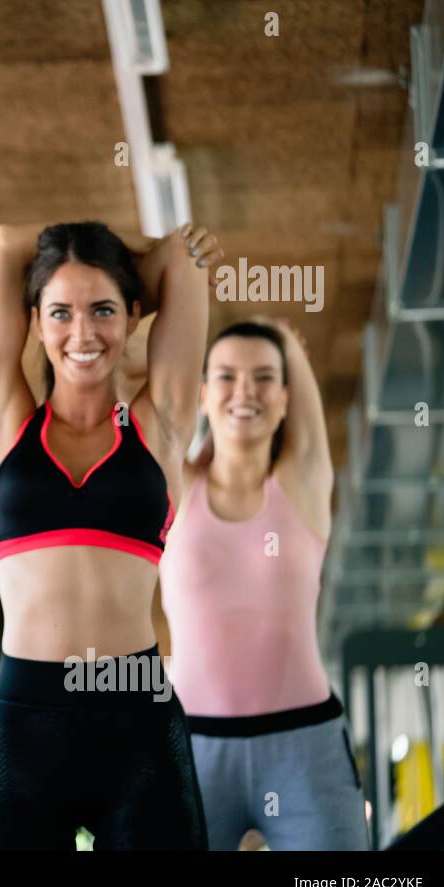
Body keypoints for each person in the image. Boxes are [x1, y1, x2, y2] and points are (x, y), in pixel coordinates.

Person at [0, 219, 221, 850]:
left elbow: (182, 264)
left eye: (104, 309)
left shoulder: (160, 428)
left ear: (136, 315)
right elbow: (4, 241)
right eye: (61, 312)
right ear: (33, 320)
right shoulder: (3, 422)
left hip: (138, 726)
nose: (82, 333)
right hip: (22, 730)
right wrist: (129, 253)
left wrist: (155, 257)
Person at [158, 317, 370, 850]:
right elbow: (157, 402)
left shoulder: (303, 481)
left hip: (306, 746)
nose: (245, 391)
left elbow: (308, 415)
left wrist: (283, 335)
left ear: (284, 399)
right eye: (227, 376)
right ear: (204, 396)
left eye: (263, 377)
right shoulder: (175, 488)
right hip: (195, 747)